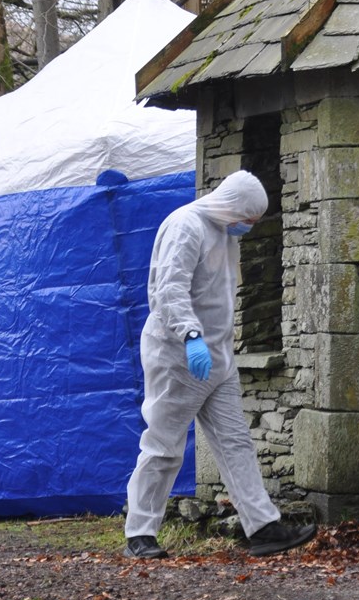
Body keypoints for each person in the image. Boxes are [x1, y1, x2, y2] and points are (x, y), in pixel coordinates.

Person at [124, 169, 317, 560]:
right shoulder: (186, 226)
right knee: (164, 447)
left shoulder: (223, 232)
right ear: (233, 206)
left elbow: (216, 295)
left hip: (218, 358)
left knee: (236, 443)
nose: (249, 227)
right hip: (178, 356)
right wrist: (192, 337)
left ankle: (262, 526)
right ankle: (140, 533)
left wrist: (214, 348)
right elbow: (170, 291)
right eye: (248, 218)